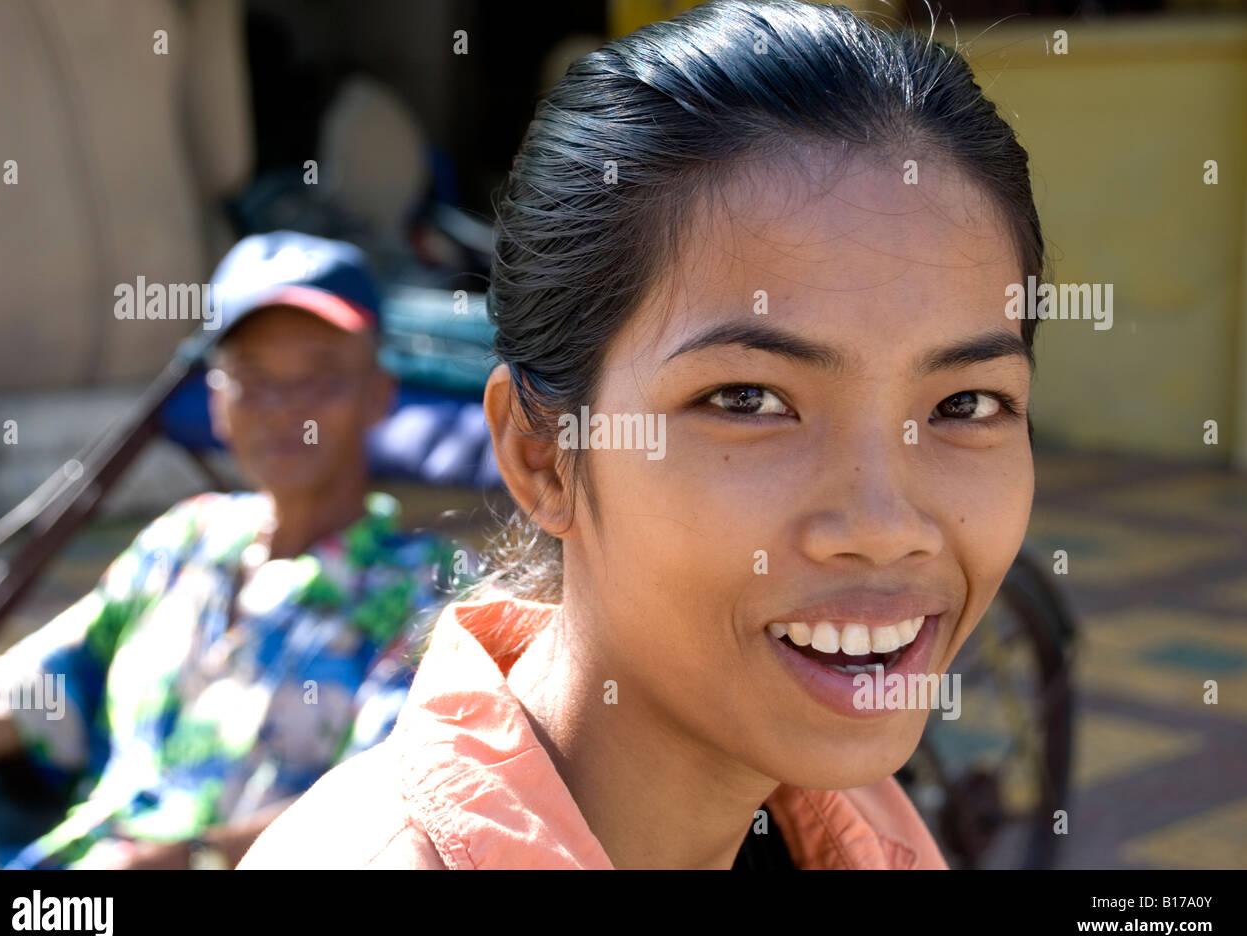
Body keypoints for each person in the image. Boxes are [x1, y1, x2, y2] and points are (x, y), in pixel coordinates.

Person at [239, 0, 1045, 870]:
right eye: (747, 398)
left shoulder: (861, 833)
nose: (888, 526)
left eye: (965, 405)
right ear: (541, 454)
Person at [0, 231, 461, 869]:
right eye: (253, 378)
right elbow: (27, 693)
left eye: (319, 378)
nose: (284, 410)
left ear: (378, 394)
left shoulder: (428, 589)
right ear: (217, 402)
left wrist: (195, 858)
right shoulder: (183, 539)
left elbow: (395, 807)